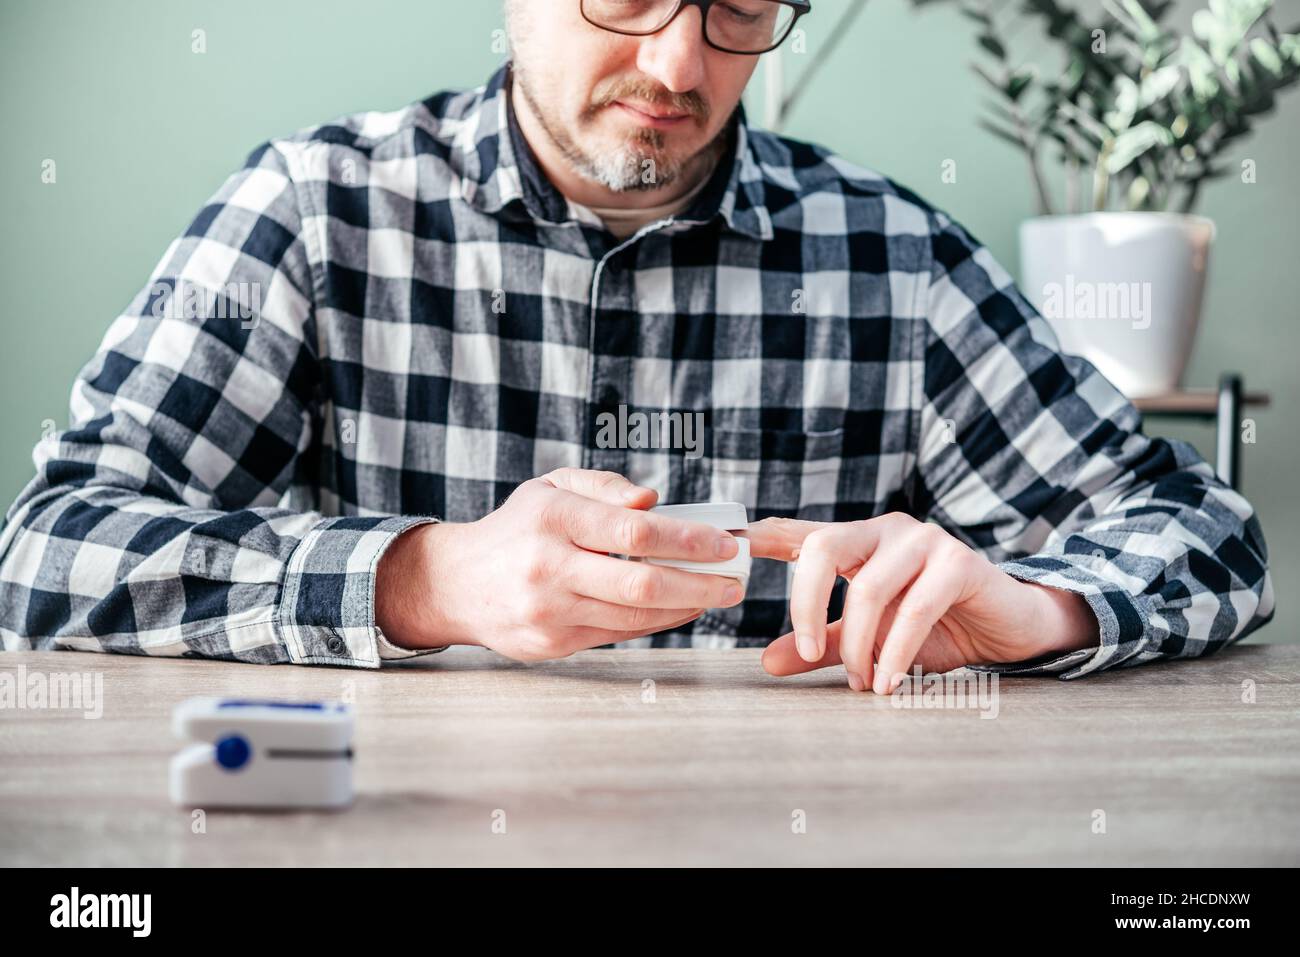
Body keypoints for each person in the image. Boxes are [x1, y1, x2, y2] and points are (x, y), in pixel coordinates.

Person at [0, 0, 1273, 694]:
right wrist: (426, 582)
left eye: (735, 6)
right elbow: (46, 554)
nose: (678, 61)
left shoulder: (895, 254)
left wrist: (1038, 607)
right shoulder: (313, 213)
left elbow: (1201, 527)